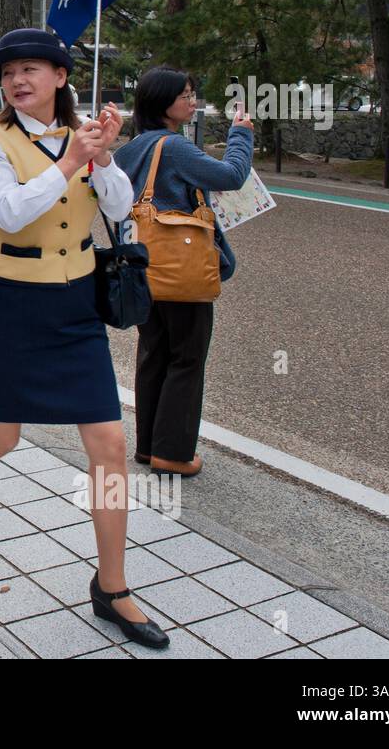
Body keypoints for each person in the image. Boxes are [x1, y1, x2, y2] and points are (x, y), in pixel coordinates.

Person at [0, 27, 169, 650]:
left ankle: (111, 586)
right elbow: (8, 212)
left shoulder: (85, 135)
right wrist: (68, 164)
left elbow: (119, 211)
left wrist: (106, 158)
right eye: (9, 72)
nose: (18, 80)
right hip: (14, 303)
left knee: (111, 444)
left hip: (77, 303)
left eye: (31, 69)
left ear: (61, 77)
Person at [113, 67, 255, 478]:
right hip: (181, 268)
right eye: (186, 96)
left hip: (143, 268)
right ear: (163, 102)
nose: (193, 103)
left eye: (193, 95)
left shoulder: (132, 147)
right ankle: (173, 453)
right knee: (186, 358)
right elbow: (231, 175)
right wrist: (240, 135)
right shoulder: (172, 146)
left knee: (153, 355)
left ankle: (148, 447)